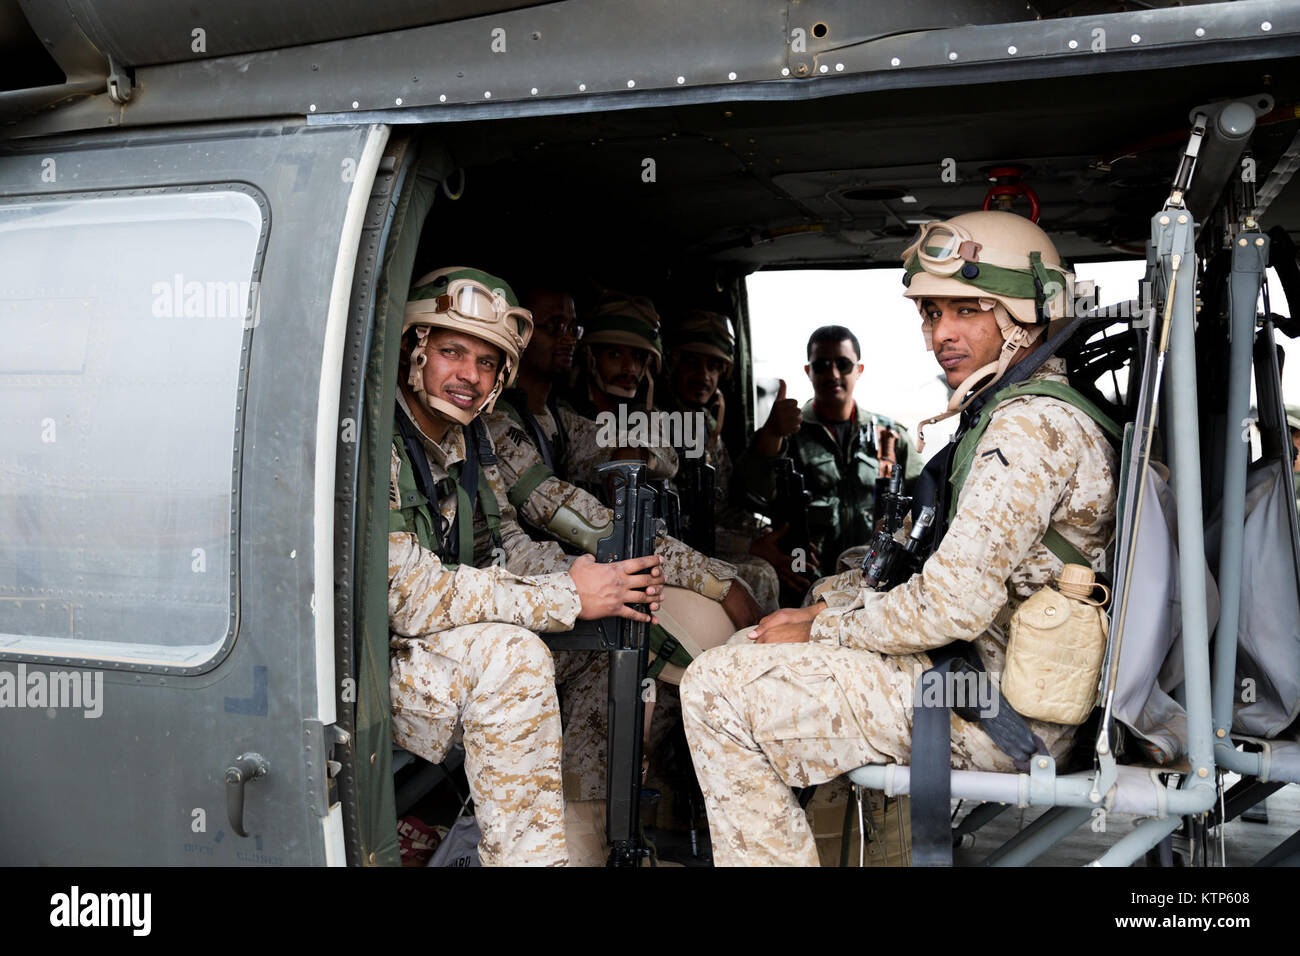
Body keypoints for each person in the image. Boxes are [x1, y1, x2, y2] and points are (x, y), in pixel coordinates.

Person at [680, 211, 1119, 865]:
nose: (941, 334)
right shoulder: (1038, 406)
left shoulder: (1027, 429)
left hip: (1000, 716)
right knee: (822, 598)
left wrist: (819, 629)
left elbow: (952, 608)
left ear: (1026, 312)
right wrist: (831, 609)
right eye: (932, 313)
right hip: (999, 686)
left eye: (966, 310)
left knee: (715, 689)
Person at [386, 266, 665, 866]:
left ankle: (587, 842)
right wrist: (563, 597)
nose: (468, 376)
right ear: (415, 350)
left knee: (604, 639)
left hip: (446, 642)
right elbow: (406, 597)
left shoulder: (466, 441)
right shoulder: (379, 445)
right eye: (452, 352)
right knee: (514, 659)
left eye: (486, 363)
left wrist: (605, 584)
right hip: (377, 660)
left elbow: (506, 546)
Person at [483, 288, 760, 841]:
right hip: (522, 595)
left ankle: (639, 816)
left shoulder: (553, 421)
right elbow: (578, 523)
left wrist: (640, 456)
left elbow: (641, 453)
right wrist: (708, 576)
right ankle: (598, 833)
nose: (566, 338)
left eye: (571, 327)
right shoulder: (496, 427)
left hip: (558, 578)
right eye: (551, 326)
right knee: (636, 639)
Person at [735, 324, 923, 587]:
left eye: (843, 364)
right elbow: (747, 496)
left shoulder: (890, 436)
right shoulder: (785, 434)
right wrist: (771, 434)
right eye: (821, 365)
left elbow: (925, 501)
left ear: (859, 370)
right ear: (808, 371)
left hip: (871, 582)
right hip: (803, 577)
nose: (833, 374)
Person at [659, 308, 780, 612]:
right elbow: (679, 525)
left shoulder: (706, 427)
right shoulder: (655, 426)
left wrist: (760, 533)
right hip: (669, 555)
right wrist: (748, 546)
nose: (704, 376)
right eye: (692, 362)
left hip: (702, 547)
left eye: (713, 366)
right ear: (671, 363)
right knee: (760, 576)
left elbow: (720, 508)